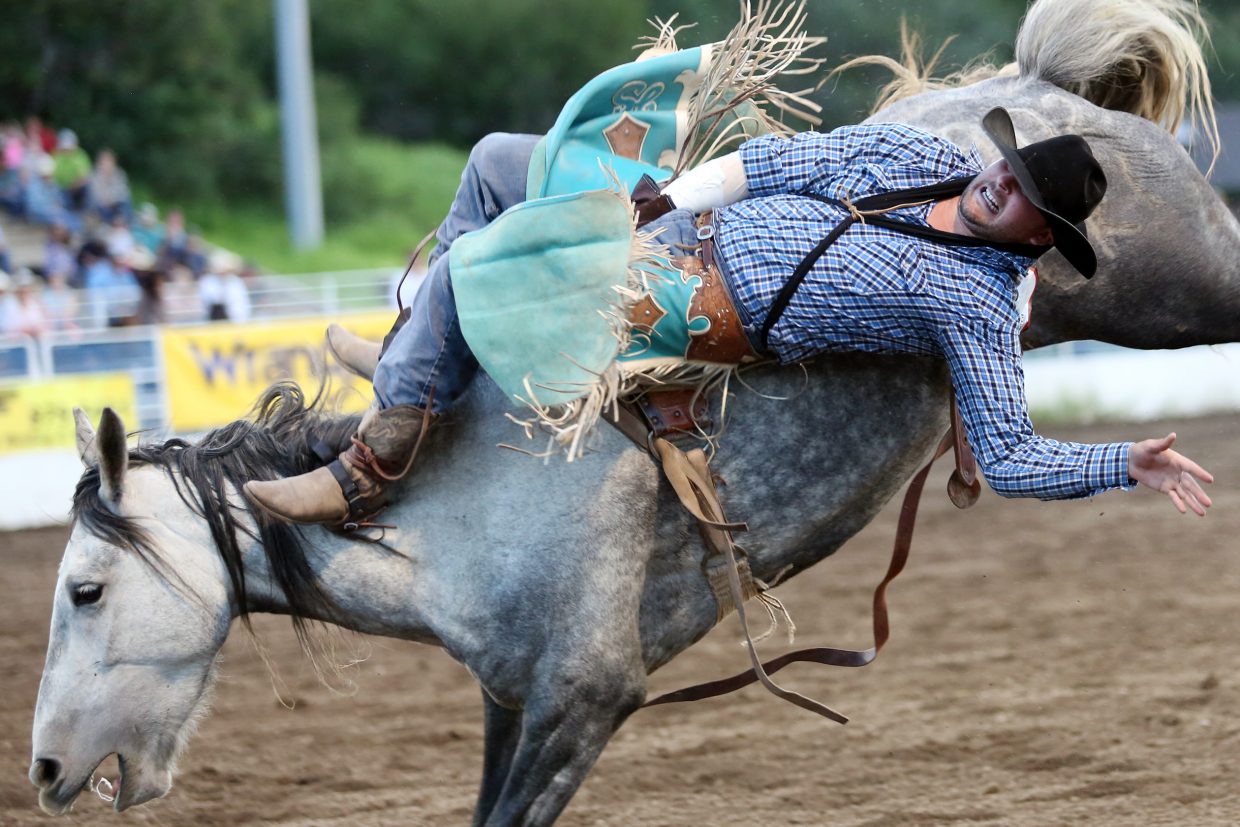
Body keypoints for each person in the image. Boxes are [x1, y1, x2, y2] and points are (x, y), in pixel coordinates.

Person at [245, 111, 1214, 527]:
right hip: (689, 225)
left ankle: (371, 467)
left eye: (1021, 193)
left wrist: (1121, 462)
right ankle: (415, 347)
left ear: (1037, 235)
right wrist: (663, 201)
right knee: (500, 159)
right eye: (1013, 165)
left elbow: (1006, 457)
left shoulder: (979, 300)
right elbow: (777, 161)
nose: (1002, 178)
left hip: (700, 307)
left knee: (473, 267)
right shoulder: (920, 155)